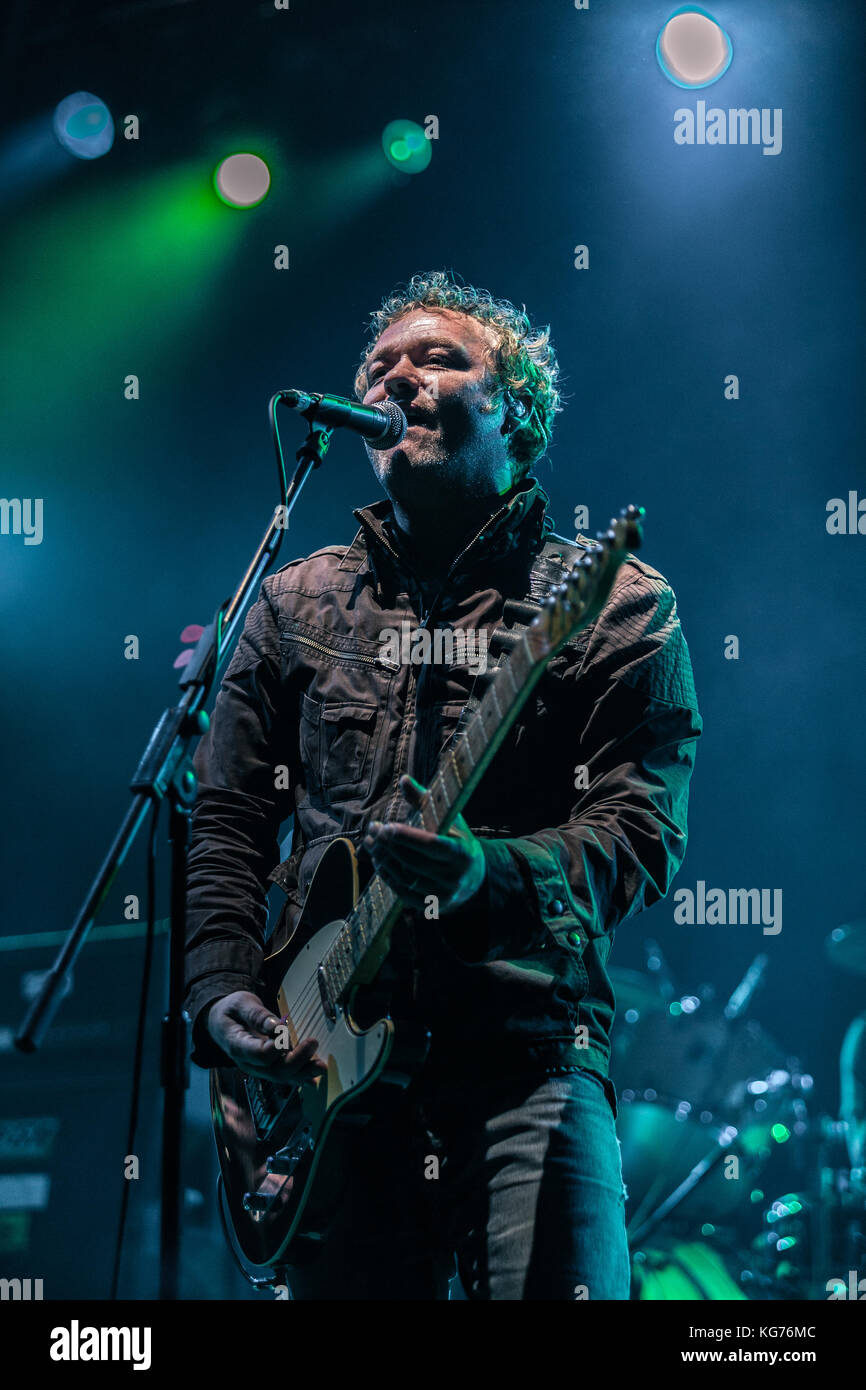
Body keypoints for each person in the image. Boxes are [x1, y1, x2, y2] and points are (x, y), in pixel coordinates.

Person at [184, 269, 702, 1299]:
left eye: (436, 358)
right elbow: (228, 818)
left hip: (527, 1053)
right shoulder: (292, 602)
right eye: (378, 366)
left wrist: (485, 875)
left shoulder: (611, 603)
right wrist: (218, 992)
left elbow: (639, 832)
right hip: (321, 1067)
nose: (397, 377)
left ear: (513, 407)